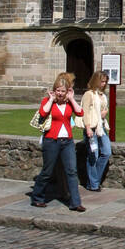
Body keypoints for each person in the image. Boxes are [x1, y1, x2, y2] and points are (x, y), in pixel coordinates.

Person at [30, 72, 86, 211]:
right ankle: (37, 197)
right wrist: (51, 99)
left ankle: (75, 203)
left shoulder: (68, 103)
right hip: (51, 141)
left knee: (71, 171)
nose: (60, 94)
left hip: (67, 141)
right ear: (54, 91)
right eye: (58, 91)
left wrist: (72, 99)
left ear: (67, 91)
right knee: (47, 171)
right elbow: (43, 113)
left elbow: (80, 112)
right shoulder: (48, 101)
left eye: (63, 91)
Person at [82, 70, 112, 191]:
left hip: (101, 127)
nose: (103, 84)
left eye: (105, 82)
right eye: (102, 81)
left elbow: (104, 109)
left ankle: (94, 180)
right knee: (93, 155)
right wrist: (88, 127)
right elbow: (84, 112)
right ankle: (93, 184)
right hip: (92, 127)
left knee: (106, 152)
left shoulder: (103, 95)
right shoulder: (89, 94)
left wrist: (105, 112)